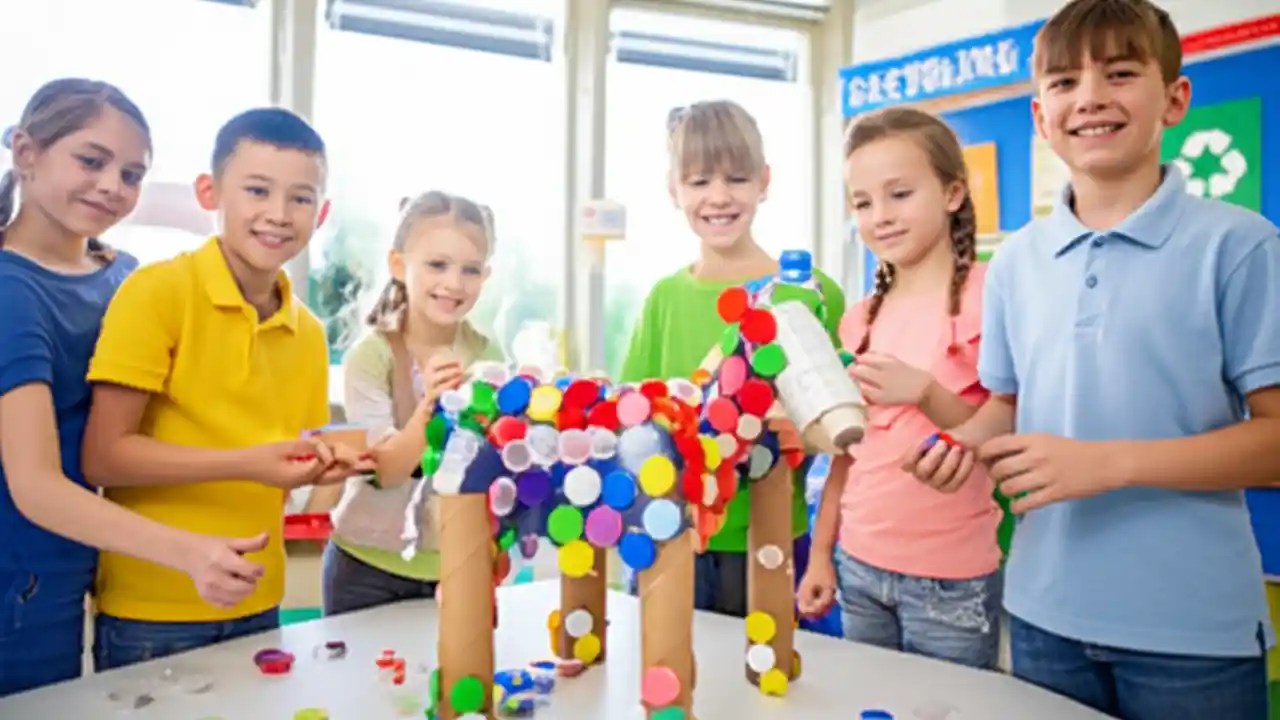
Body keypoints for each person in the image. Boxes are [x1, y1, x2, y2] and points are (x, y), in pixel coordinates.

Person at [905, 1, 1279, 717]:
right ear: (1041, 118)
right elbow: (1008, 410)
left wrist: (1106, 464)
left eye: (1120, 73)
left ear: (1174, 99)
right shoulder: (1015, 262)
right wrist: (958, 444)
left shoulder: (1241, 247)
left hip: (1193, 630)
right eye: (1065, 83)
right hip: (1045, 618)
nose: (1091, 98)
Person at [0, 79, 274, 697]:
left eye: (131, 174)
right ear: (25, 152)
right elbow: (36, 483)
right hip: (17, 575)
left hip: (81, 568)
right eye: (91, 161)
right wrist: (189, 553)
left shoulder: (125, 277)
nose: (111, 187)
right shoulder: (10, 292)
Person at [81, 107, 370, 670]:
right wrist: (249, 463)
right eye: (257, 190)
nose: (278, 215)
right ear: (210, 192)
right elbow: (103, 457)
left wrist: (319, 464)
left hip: (261, 601)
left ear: (323, 212)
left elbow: (287, 461)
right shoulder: (156, 293)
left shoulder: (309, 334)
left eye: (301, 198)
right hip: (153, 609)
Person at [619, 99, 846, 616]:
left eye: (736, 179)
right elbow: (631, 417)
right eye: (699, 181)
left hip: (771, 536)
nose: (718, 197)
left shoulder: (808, 294)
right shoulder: (663, 300)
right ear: (673, 189)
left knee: (771, 682)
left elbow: (844, 423)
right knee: (669, 678)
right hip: (672, 530)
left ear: (764, 181)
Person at [796, 107, 1002, 669]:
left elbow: (1007, 429)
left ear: (953, 192)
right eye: (863, 203)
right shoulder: (859, 320)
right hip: (858, 565)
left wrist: (926, 392)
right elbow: (847, 454)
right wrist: (821, 556)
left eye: (900, 194)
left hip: (951, 580)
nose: (879, 217)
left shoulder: (993, 296)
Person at [314, 190, 504, 616]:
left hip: (456, 565)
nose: (454, 284)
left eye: (470, 270)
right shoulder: (371, 356)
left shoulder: (489, 358)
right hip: (365, 570)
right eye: (437, 265)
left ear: (485, 276)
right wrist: (432, 406)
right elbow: (386, 469)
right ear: (399, 265)